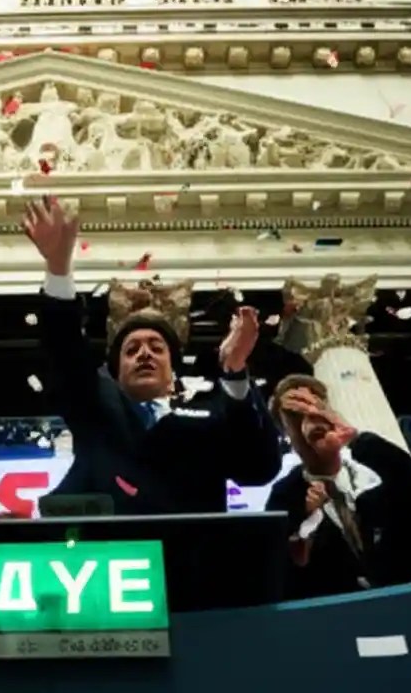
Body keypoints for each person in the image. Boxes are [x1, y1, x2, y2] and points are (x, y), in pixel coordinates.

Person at [22, 195, 281, 515]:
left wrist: (235, 371)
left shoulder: (210, 412)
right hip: (114, 543)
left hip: (191, 544)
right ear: (115, 372)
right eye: (131, 350)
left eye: (157, 348)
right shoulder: (98, 405)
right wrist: (58, 269)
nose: (144, 354)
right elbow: (66, 351)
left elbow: (258, 468)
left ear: (173, 370)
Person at [266, 375, 411, 598]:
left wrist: (353, 437)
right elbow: (281, 568)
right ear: (285, 432)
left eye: (316, 406)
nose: (309, 418)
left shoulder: (376, 467)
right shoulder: (285, 497)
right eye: (294, 414)